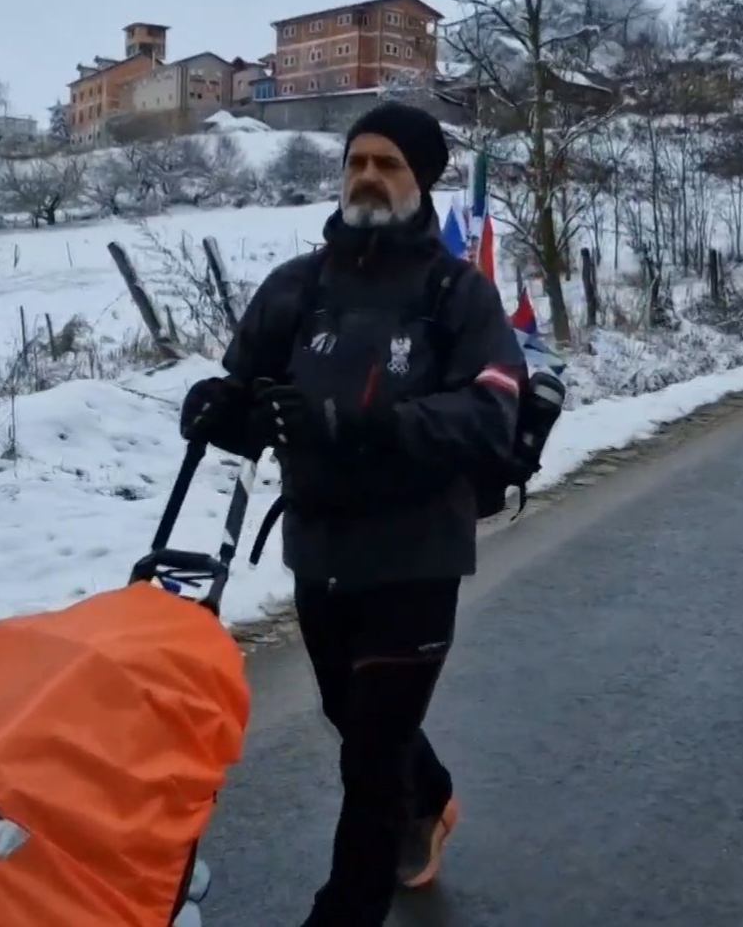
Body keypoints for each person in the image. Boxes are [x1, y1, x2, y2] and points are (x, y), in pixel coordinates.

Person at [179, 102, 528, 927]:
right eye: (357, 161)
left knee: (371, 758)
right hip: (319, 545)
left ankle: (344, 912)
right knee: (350, 712)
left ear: (422, 182)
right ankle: (432, 796)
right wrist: (217, 409)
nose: (368, 176)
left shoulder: (456, 292)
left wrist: (368, 425)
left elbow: (492, 412)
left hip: (417, 551)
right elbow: (246, 389)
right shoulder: (298, 286)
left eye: (389, 164)